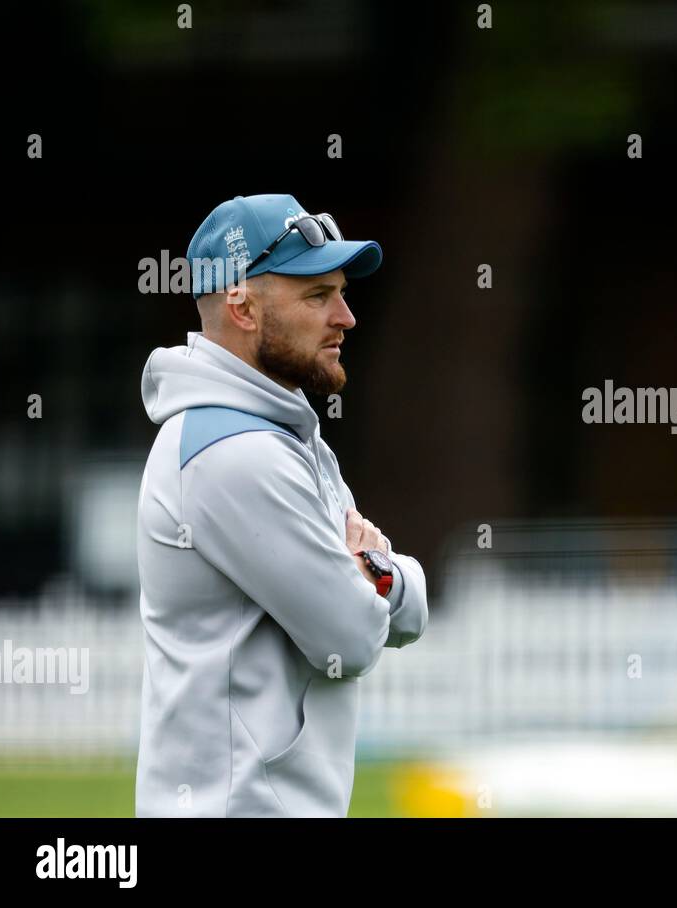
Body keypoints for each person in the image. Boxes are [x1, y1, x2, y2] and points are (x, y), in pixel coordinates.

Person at [135, 194, 428, 816]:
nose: (345, 317)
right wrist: (380, 572)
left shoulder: (283, 438)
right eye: (318, 296)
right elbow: (352, 638)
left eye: (342, 293)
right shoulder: (236, 453)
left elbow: (401, 614)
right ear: (241, 306)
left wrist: (375, 574)